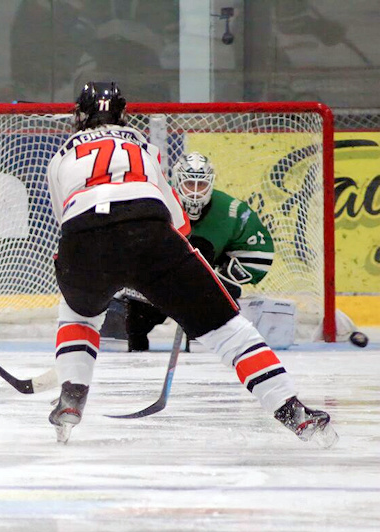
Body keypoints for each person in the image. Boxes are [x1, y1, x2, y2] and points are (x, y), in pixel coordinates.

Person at [45, 81, 337, 448]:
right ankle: (293, 412)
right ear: (123, 115)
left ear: (79, 115)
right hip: (149, 231)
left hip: (83, 238)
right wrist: (181, 268)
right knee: (228, 330)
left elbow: (68, 222)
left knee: (78, 314)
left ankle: (72, 397)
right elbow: (178, 221)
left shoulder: (60, 157)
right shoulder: (143, 146)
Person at [106, 151, 275, 352]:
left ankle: (208, 331)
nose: (195, 191)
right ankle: (129, 334)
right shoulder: (155, 203)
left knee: (206, 263)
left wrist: (221, 279)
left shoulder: (232, 210)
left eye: (201, 184)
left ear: (211, 183)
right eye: (189, 184)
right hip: (154, 285)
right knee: (130, 322)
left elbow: (260, 254)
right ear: (178, 182)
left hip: (202, 291)